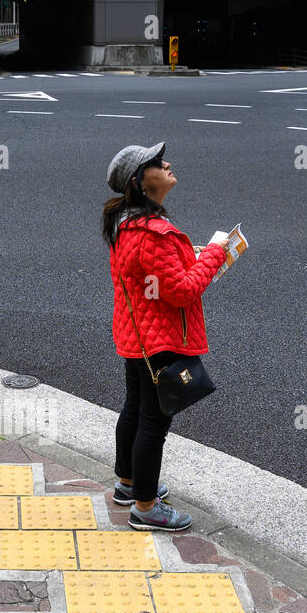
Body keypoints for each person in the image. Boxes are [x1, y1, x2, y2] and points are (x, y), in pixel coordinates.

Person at [102, 142, 230, 532]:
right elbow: (182, 291)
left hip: (137, 332)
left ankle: (128, 484)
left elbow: (152, 279)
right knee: (153, 423)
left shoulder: (126, 223)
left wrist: (187, 256)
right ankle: (146, 507)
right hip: (159, 339)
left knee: (135, 409)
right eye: (157, 163)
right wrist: (214, 253)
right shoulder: (152, 233)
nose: (168, 164)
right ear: (141, 182)